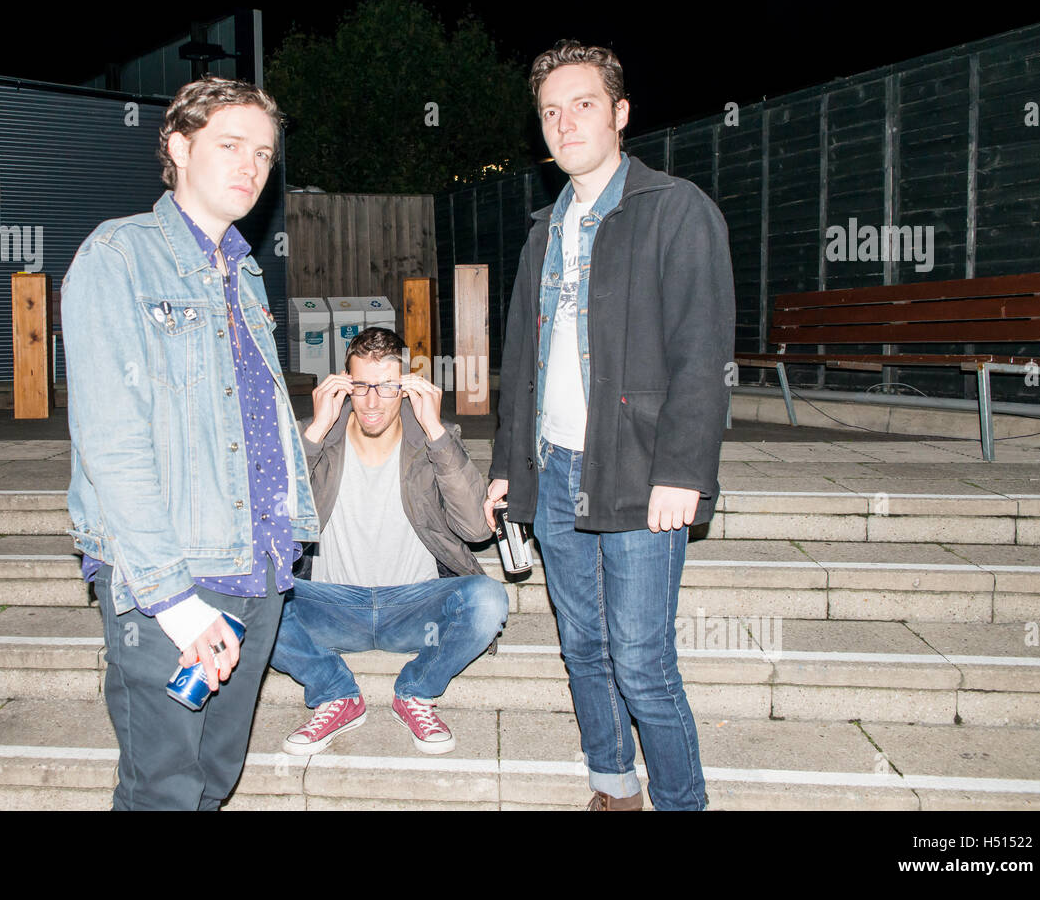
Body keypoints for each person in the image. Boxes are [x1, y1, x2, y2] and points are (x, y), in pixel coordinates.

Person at [486, 41, 735, 810]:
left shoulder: (677, 210)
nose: (566, 123)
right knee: (584, 647)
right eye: (551, 112)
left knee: (641, 658)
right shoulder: (543, 229)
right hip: (556, 465)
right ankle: (612, 787)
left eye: (583, 104)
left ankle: (682, 800)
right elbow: (521, 360)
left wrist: (683, 472)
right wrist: (509, 464)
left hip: (638, 469)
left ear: (621, 114)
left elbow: (703, 353)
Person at [60, 75, 319, 810]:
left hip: (259, 564)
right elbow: (112, 446)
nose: (251, 165)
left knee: (212, 779)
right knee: (163, 788)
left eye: (264, 153)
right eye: (230, 145)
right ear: (177, 146)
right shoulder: (119, 257)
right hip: (173, 576)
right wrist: (172, 600)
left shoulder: (243, 273)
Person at [269, 327, 509, 755]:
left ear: (407, 387)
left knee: (488, 600)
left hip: (413, 608)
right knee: (247, 596)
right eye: (360, 386)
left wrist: (435, 430)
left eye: (386, 387)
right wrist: (314, 434)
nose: (373, 402)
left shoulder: (435, 438)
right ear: (343, 384)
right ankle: (335, 692)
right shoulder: (313, 434)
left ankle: (415, 691)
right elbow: (272, 519)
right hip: (331, 607)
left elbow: (476, 529)